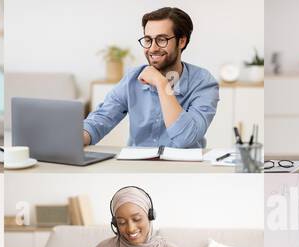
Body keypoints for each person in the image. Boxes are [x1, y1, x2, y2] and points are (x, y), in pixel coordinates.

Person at [81, 7, 218, 149]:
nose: (152, 48)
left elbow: (185, 138)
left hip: (183, 168)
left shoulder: (203, 83)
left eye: (161, 40)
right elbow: (100, 120)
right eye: (148, 40)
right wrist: (74, 138)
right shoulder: (132, 78)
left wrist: (161, 83)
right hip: (139, 167)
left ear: (181, 41)